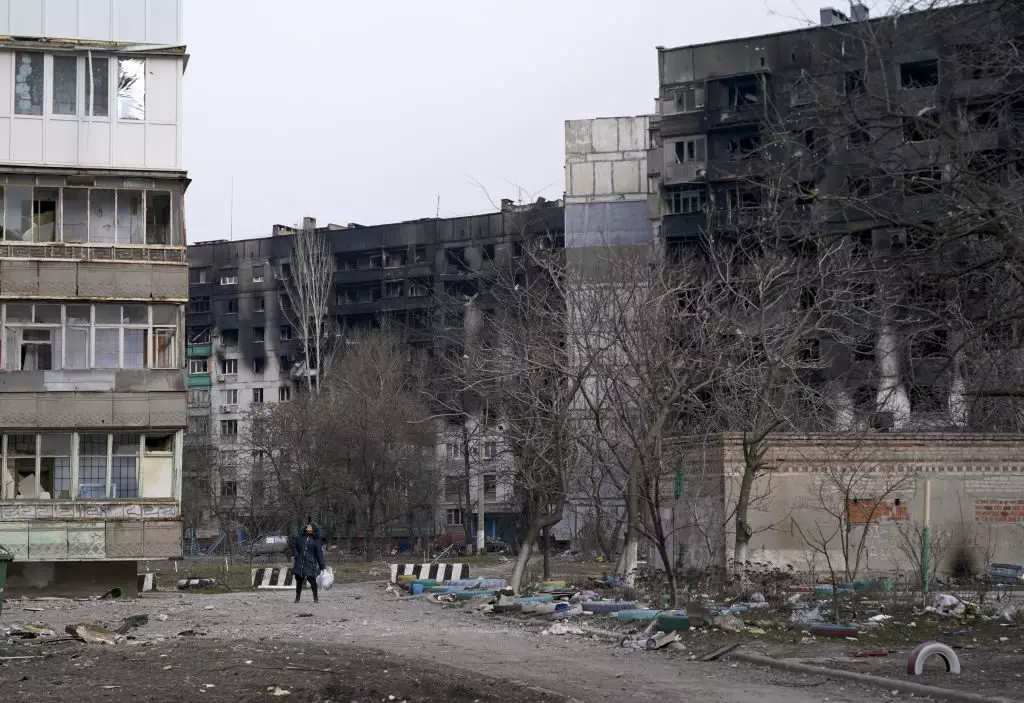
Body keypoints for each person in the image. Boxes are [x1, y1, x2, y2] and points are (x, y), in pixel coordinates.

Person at [291, 519, 325, 603]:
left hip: (310, 562)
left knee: (312, 579)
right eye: (308, 526)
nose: (308, 527)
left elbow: (319, 553)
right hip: (300, 561)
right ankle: (297, 598)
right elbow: (294, 545)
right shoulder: (300, 536)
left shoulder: (316, 540)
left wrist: (322, 566)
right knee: (299, 579)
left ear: (313, 529)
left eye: (310, 526)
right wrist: (296, 555)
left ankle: (315, 598)